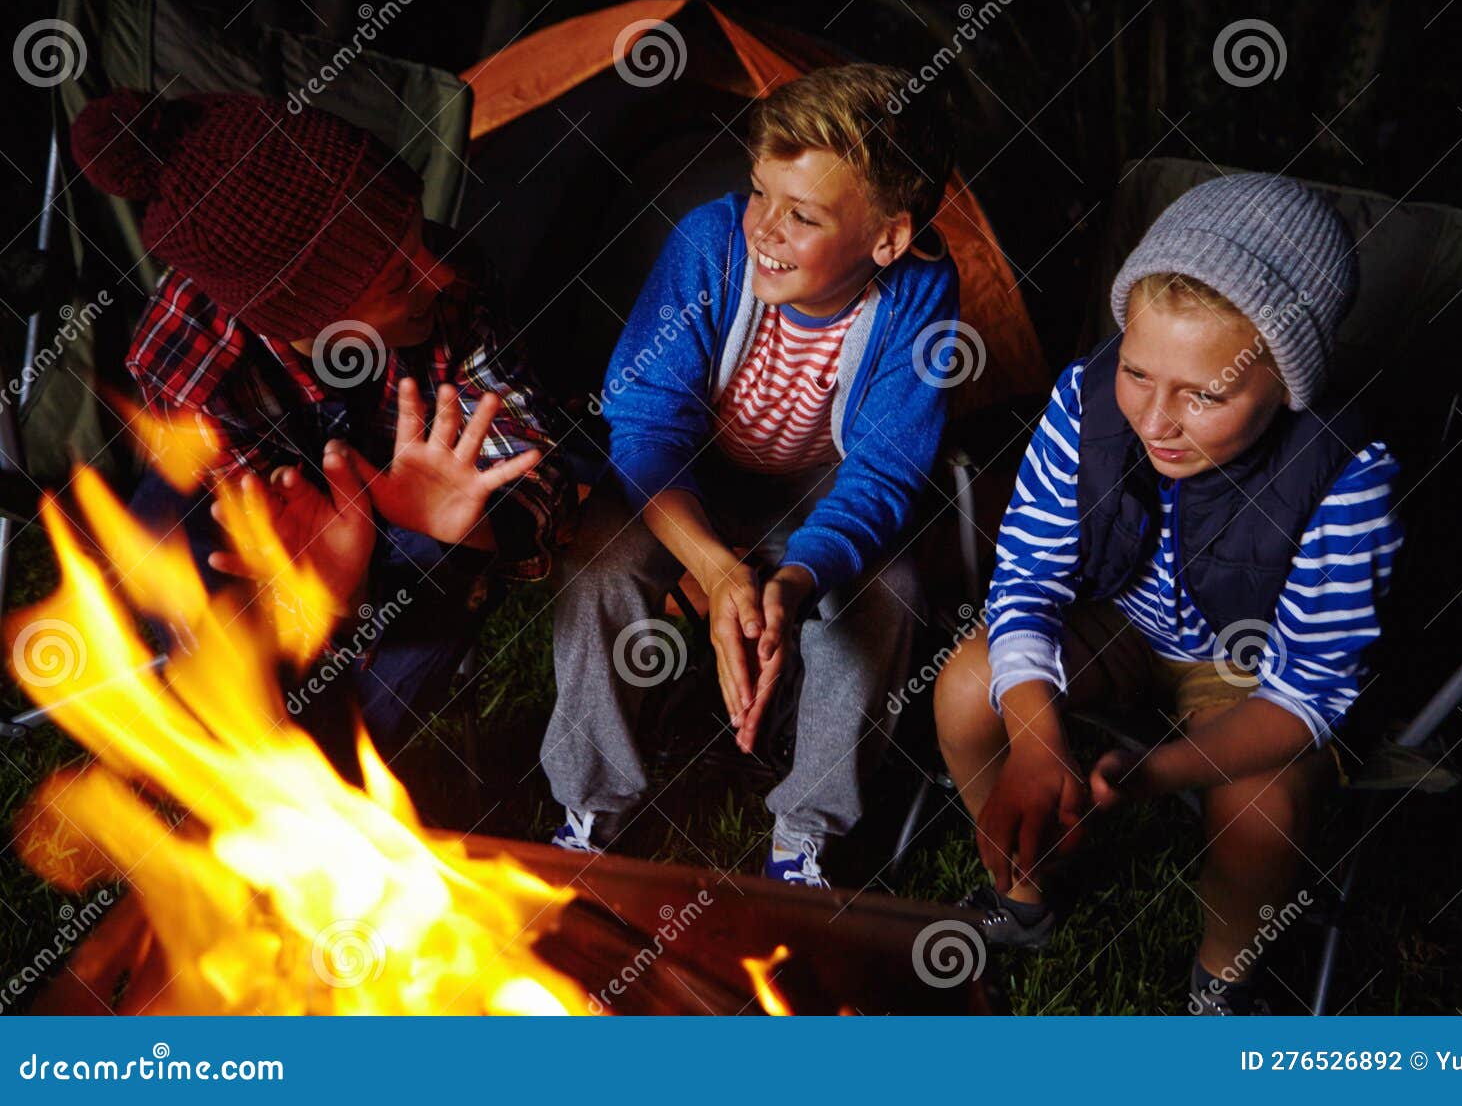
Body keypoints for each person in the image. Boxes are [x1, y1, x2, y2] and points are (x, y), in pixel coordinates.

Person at [933, 173, 1404, 1012]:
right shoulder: (1085, 400)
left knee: (1262, 804)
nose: (1156, 421)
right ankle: (1023, 893)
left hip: (1248, 675)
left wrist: (1155, 772)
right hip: (1119, 623)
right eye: (1141, 374)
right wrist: (1038, 743)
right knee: (968, 682)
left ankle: (1221, 979)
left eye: (1207, 395)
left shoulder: (1345, 475)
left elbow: (1309, 693)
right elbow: (1029, 580)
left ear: (1287, 384)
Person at [541, 63, 959, 887]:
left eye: (801, 215)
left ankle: (804, 836)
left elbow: (884, 469)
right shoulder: (711, 243)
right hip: (688, 474)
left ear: (887, 239)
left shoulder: (919, 293)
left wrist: (797, 578)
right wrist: (712, 567)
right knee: (598, 563)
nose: (764, 228)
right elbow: (648, 418)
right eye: (761, 192)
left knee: (889, 592)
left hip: (815, 490)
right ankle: (591, 810)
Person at [70, 89, 574, 763]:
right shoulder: (186, 357)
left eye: (419, 234)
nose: (439, 272)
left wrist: (466, 527)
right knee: (164, 534)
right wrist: (330, 594)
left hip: (404, 511)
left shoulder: (455, 289)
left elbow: (530, 457)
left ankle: (344, 784)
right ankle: (246, 759)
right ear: (305, 320)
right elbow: (254, 549)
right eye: (398, 279)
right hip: (265, 523)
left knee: (443, 556)